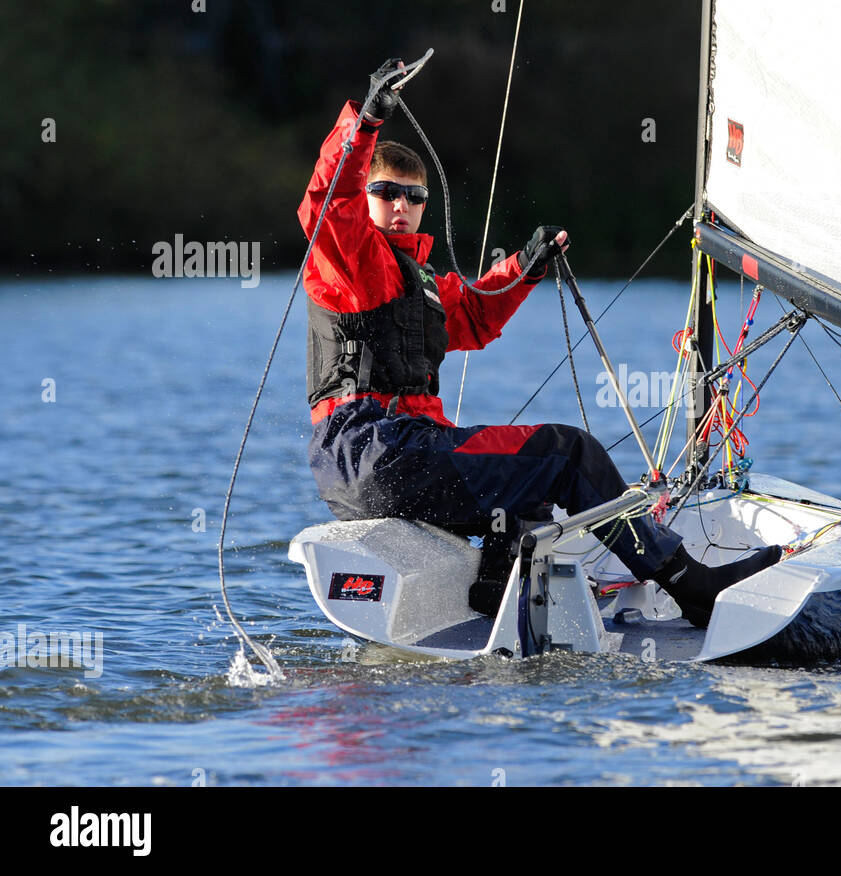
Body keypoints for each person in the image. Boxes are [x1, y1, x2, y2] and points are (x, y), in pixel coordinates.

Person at [298, 61, 780, 627]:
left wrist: (525, 268)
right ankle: (690, 583)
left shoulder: (422, 285)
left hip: (397, 456)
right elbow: (326, 202)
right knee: (569, 453)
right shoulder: (349, 260)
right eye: (385, 193)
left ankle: (492, 599)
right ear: (367, 197)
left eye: (414, 195)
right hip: (370, 450)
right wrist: (367, 119)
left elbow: (474, 315)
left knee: (525, 485)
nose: (401, 206)